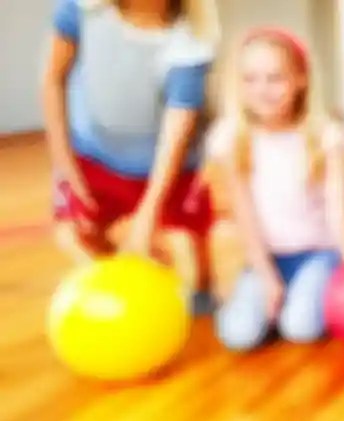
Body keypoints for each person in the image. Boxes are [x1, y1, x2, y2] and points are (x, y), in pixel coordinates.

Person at [42, 0, 221, 314]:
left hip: (169, 166)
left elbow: (177, 129)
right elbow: (53, 79)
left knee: (190, 259)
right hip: (95, 156)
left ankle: (204, 288)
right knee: (75, 235)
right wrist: (65, 164)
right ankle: (119, 276)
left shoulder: (191, 38)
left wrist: (148, 215)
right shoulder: (81, 10)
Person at [208, 28, 344, 352]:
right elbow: (244, 215)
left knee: (301, 329)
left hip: (319, 254)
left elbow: (339, 207)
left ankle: (302, 299)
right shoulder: (232, 137)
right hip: (266, 256)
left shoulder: (325, 134)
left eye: (275, 78)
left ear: (300, 79)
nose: (263, 90)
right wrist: (265, 276)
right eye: (250, 79)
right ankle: (278, 299)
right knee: (237, 336)